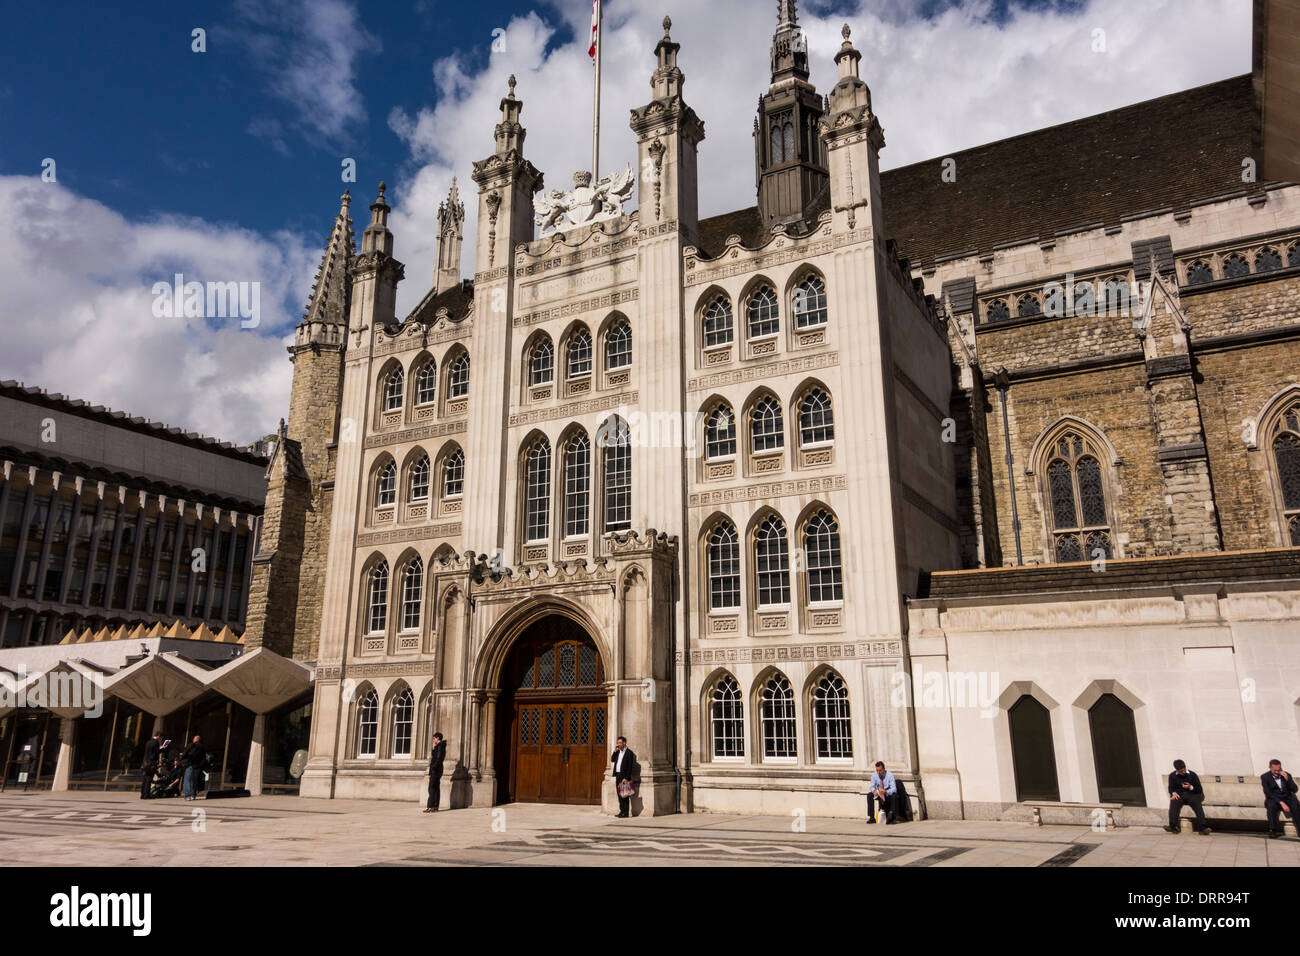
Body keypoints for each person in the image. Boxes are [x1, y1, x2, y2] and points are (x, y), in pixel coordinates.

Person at [1164, 759, 1211, 834]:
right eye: (1180, 771)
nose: (1183, 773)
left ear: (1185, 767)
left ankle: (1203, 828)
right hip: (1180, 795)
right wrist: (1173, 793)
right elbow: (1171, 788)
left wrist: (1190, 787)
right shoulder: (1172, 776)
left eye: (1183, 770)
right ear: (1176, 770)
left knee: (1197, 804)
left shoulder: (1192, 775)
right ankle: (1173, 826)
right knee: (1174, 802)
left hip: (1193, 794)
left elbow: (1199, 789)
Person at [1262, 759, 1300, 838]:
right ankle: (1272, 830)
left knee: (1295, 805)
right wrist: (1282, 803)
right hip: (1274, 798)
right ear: (1270, 767)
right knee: (1271, 805)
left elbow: (1295, 789)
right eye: (1275, 770)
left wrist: (1287, 780)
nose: (1277, 772)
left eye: (1279, 770)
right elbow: (1268, 793)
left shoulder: (1286, 775)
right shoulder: (1265, 777)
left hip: (1287, 798)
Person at [612, 736, 636, 818]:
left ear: (624, 743)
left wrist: (626, 777)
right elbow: (612, 759)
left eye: (620, 743)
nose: (618, 744)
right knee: (619, 794)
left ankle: (625, 813)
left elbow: (630, 767)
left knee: (625, 795)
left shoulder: (629, 753)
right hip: (618, 775)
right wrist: (615, 751)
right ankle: (621, 811)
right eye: (618, 743)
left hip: (624, 777)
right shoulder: (618, 752)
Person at [424, 733, 446, 813]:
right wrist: (434, 748)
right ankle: (435, 806)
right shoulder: (439, 746)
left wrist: (433, 767)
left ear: (437, 738)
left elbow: (438, 759)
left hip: (436, 770)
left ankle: (431, 806)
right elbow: (436, 757)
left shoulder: (440, 746)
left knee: (432, 788)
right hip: (437, 769)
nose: (433, 740)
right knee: (436, 788)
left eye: (434, 738)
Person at [182, 735, 206, 801]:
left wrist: (183, 757)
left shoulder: (192, 745)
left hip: (191, 764)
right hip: (198, 766)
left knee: (187, 780)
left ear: (195, 739)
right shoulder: (202, 747)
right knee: (194, 781)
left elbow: (188, 754)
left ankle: (187, 795)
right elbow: (204, 757)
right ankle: (193, 795)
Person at [140, 731, 161, 800]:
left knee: (145, 779)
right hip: (151, 763)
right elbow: (156, 753)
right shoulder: (156, 742)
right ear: (158, 736)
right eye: (160, 737)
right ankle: (147, 794)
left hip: (145, 762)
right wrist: (162, 748)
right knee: (149, 779)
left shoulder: (148, 742)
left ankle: (142, 794)